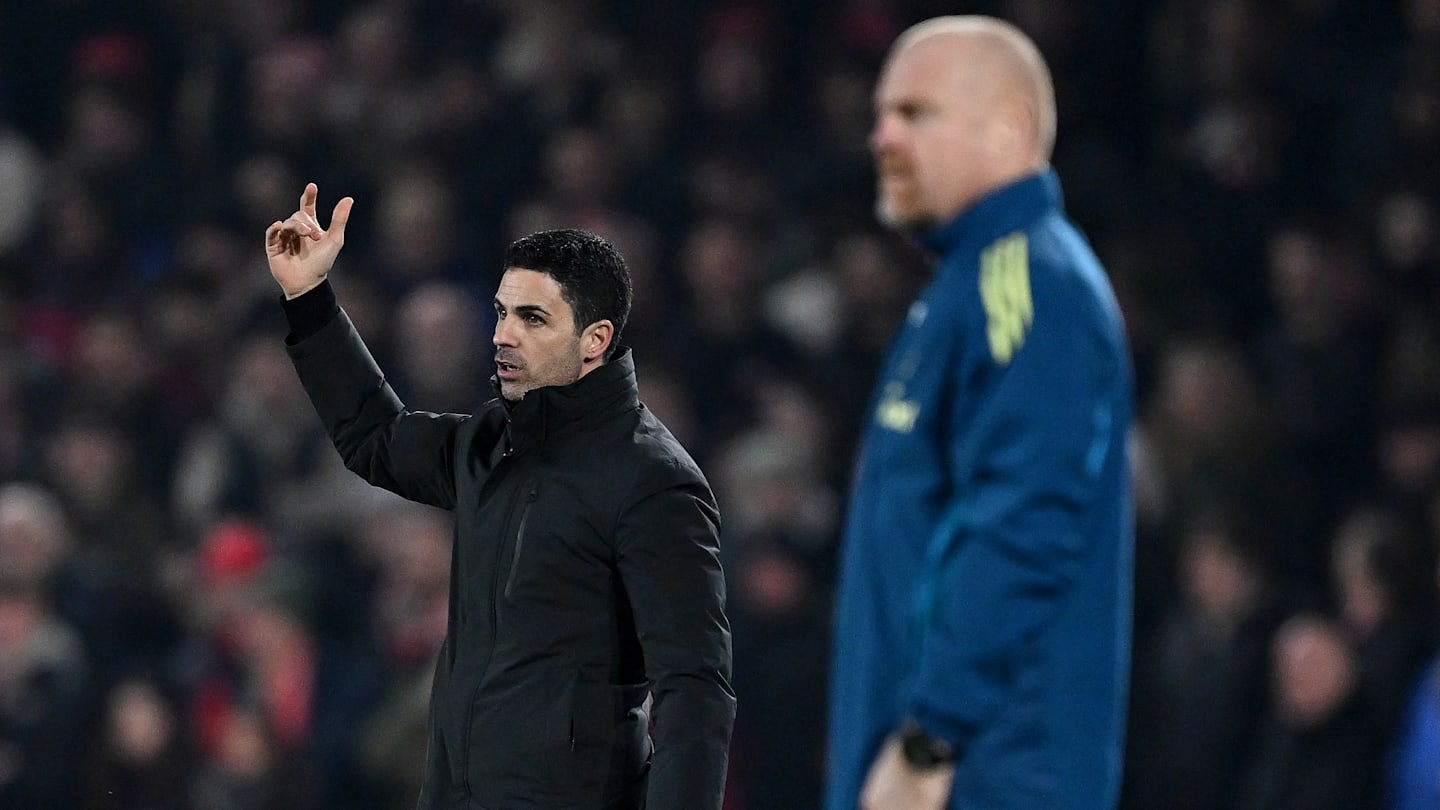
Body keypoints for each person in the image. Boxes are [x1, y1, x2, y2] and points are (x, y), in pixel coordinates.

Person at [263, 184, 736, 809]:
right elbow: (376, 439)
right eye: (501, 312)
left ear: (594, 339)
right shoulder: (492, 442)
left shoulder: (653, 482)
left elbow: (694, 690)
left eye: (532, 318)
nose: (502, 335)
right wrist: (309, 300)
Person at [826, 16, 1135, 810]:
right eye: (881, 113)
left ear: (1009, 129)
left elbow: (1023, 522)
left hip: (985, 775)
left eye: (916, 113)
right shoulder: (968, 291)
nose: (883, 137)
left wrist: (930, 740)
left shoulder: (1027, 287)